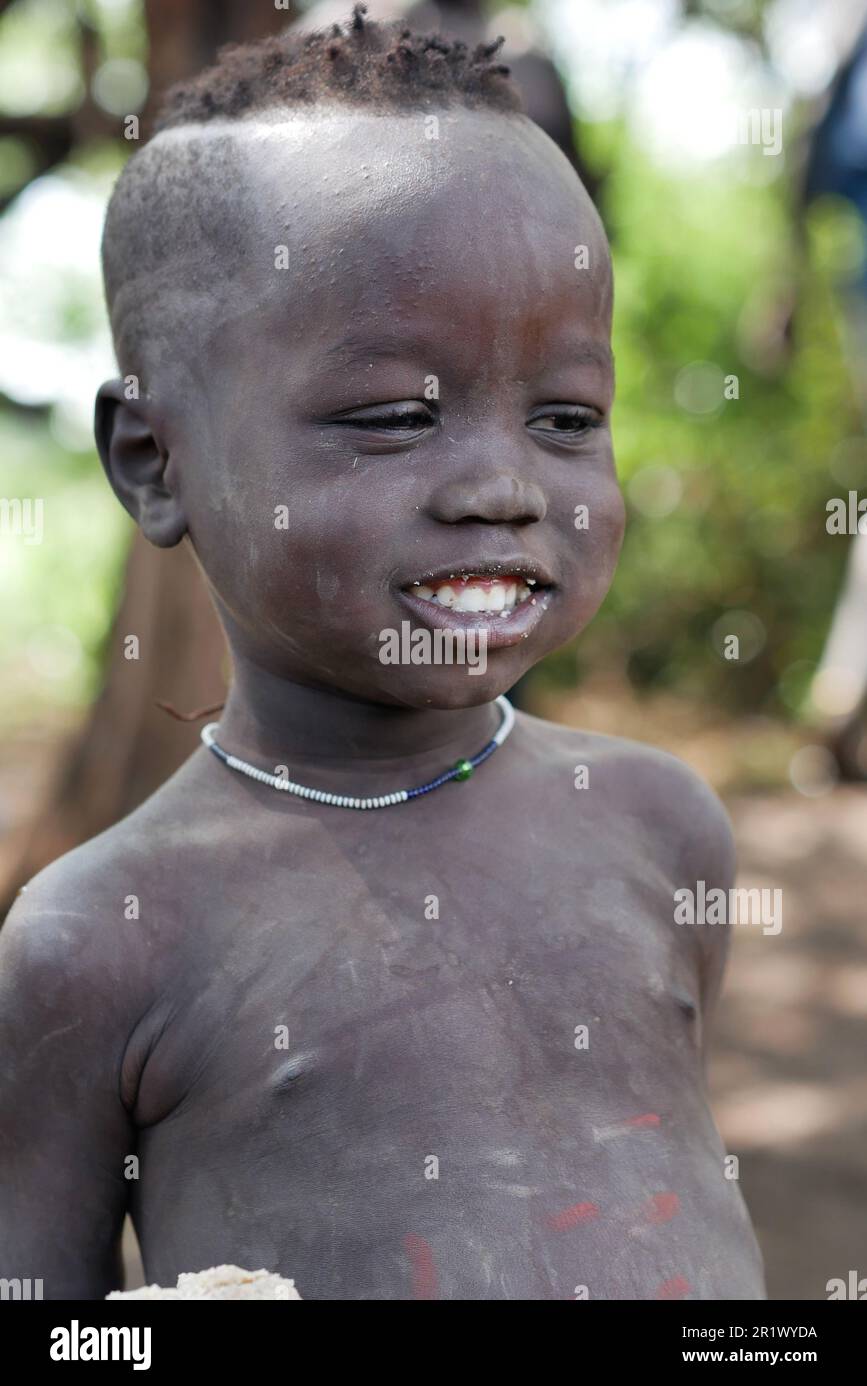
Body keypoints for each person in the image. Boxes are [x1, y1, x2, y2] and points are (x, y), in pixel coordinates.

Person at [0, 7, 765, 1300]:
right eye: (394, 416)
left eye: (566, 414)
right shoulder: (103, 942)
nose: (502, 485)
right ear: (153, 458)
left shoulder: (661, 828)